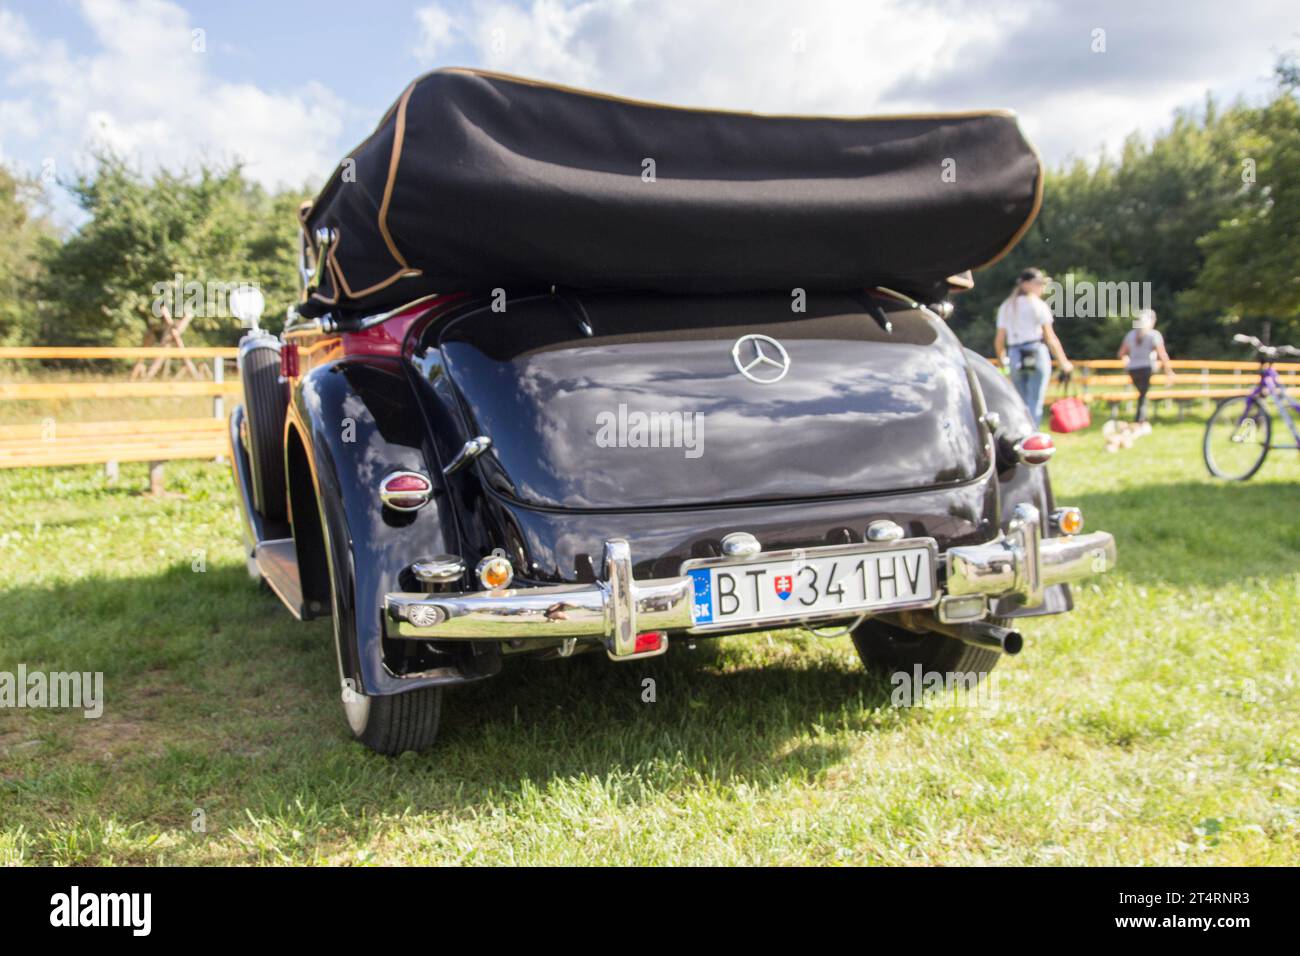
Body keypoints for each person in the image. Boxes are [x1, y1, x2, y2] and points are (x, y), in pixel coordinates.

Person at [993, 267, 1074, 427]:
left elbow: (999, 339)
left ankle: (1021, 435)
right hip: (1035, 352)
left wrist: (1002, 360)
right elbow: (1050, 338)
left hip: (1015, 354)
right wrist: (1064, 362)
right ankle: (1032, 436)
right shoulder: (1038, 305)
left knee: (1019, 401)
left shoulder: (1006, 306)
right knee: (1034, 402)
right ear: (1027, 285)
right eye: (1039, 284)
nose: (1042, 288)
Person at [1117, 308, 1173, 424]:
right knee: (1143, 394)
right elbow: (1162, 355)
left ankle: (1141, 419)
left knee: (1142, 394)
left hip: (1132, 369)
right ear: (1151, 321)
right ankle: (1140, 420)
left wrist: (1127, 361)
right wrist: (1169, 372)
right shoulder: (1154, 335)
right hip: (1147, 368)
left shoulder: (1130, 334)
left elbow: (1121, 353)